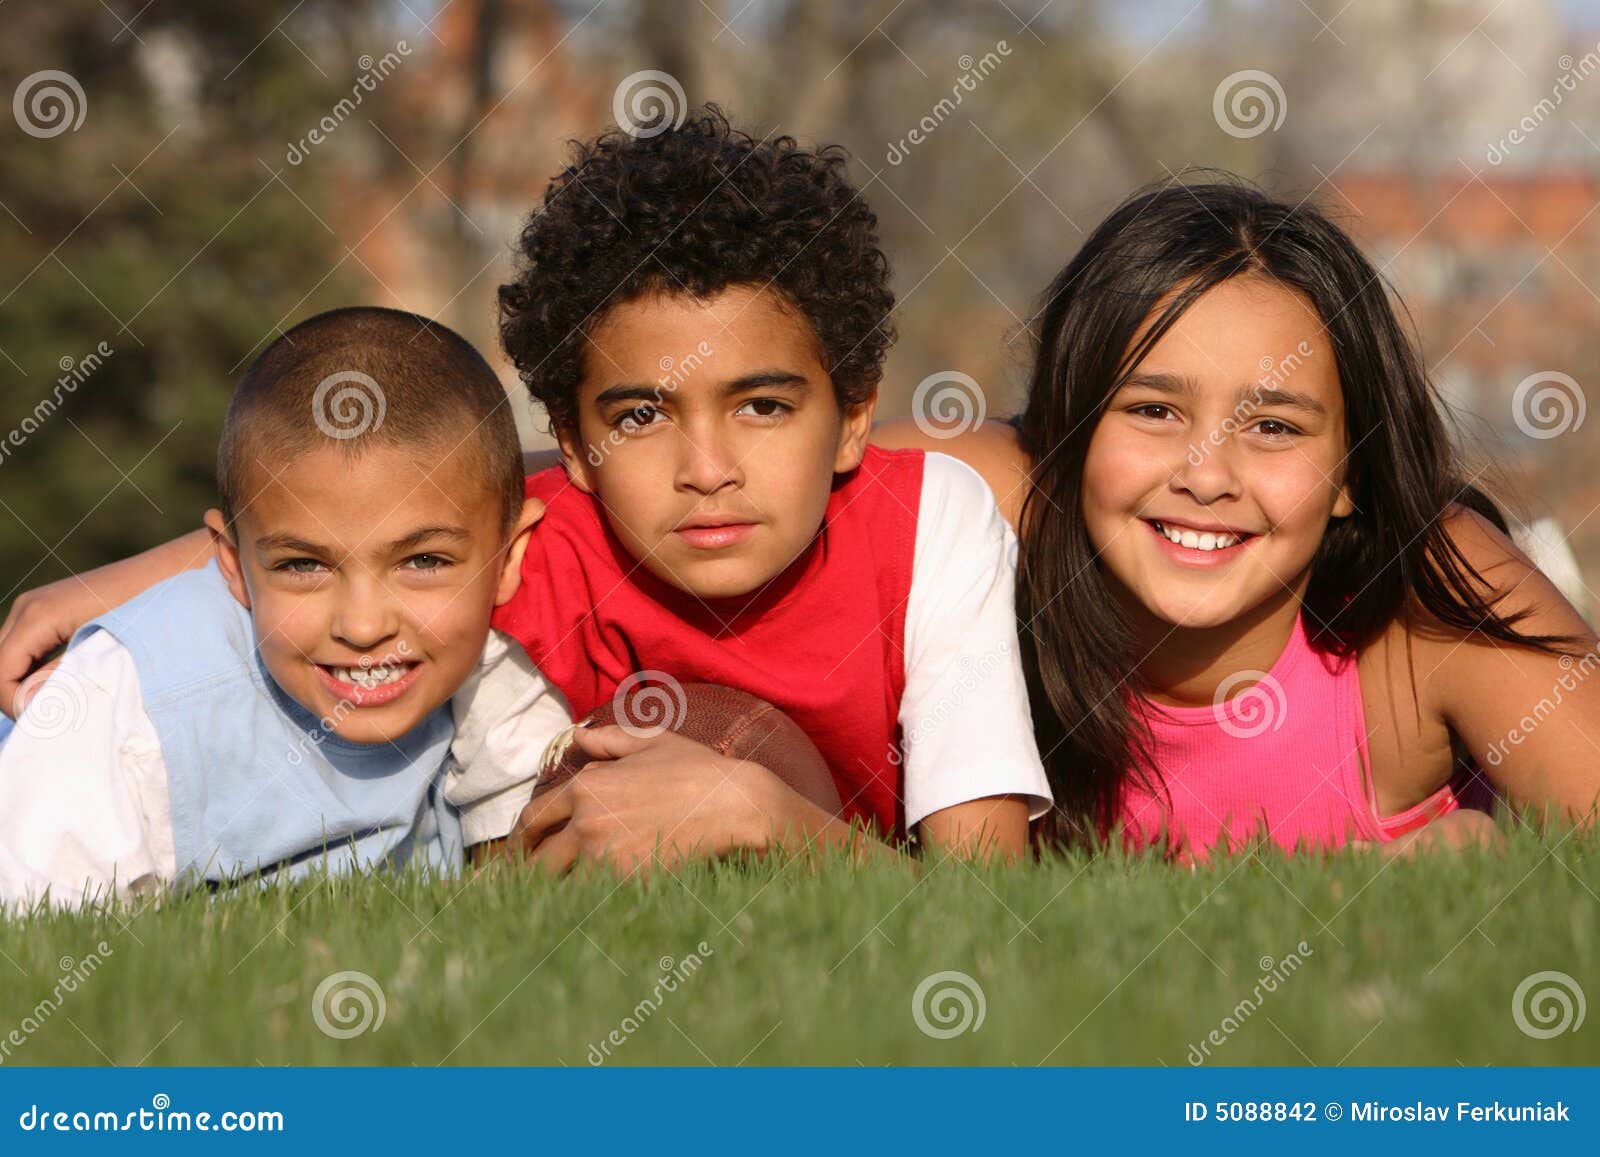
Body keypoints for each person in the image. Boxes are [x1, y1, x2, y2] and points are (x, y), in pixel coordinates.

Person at [0, 109, 1051, 870]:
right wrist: (107, 590)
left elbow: (984, 899)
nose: (706, 468)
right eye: (639, 417)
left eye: (764, 406)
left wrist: (761, 816)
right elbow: (359, 520)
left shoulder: (931, 528)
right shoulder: (534, 542)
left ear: (854, 412)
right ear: (576, 444)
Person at [879, 180, 1600, 859]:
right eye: (1154, 411)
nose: (1205, 477)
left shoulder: (1429, 604)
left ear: (1353, 471)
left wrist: (1456, 852)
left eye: (1274, 427)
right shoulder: (984, 499)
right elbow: (817, 455)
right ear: (1070, 434)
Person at [0, 307, 541, 905]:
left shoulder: (511, 672)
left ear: (508, 558)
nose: (364, 626)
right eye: (303, 566)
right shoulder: (141, 700)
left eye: (424, 562)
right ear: (233, 565)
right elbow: (29, 927)